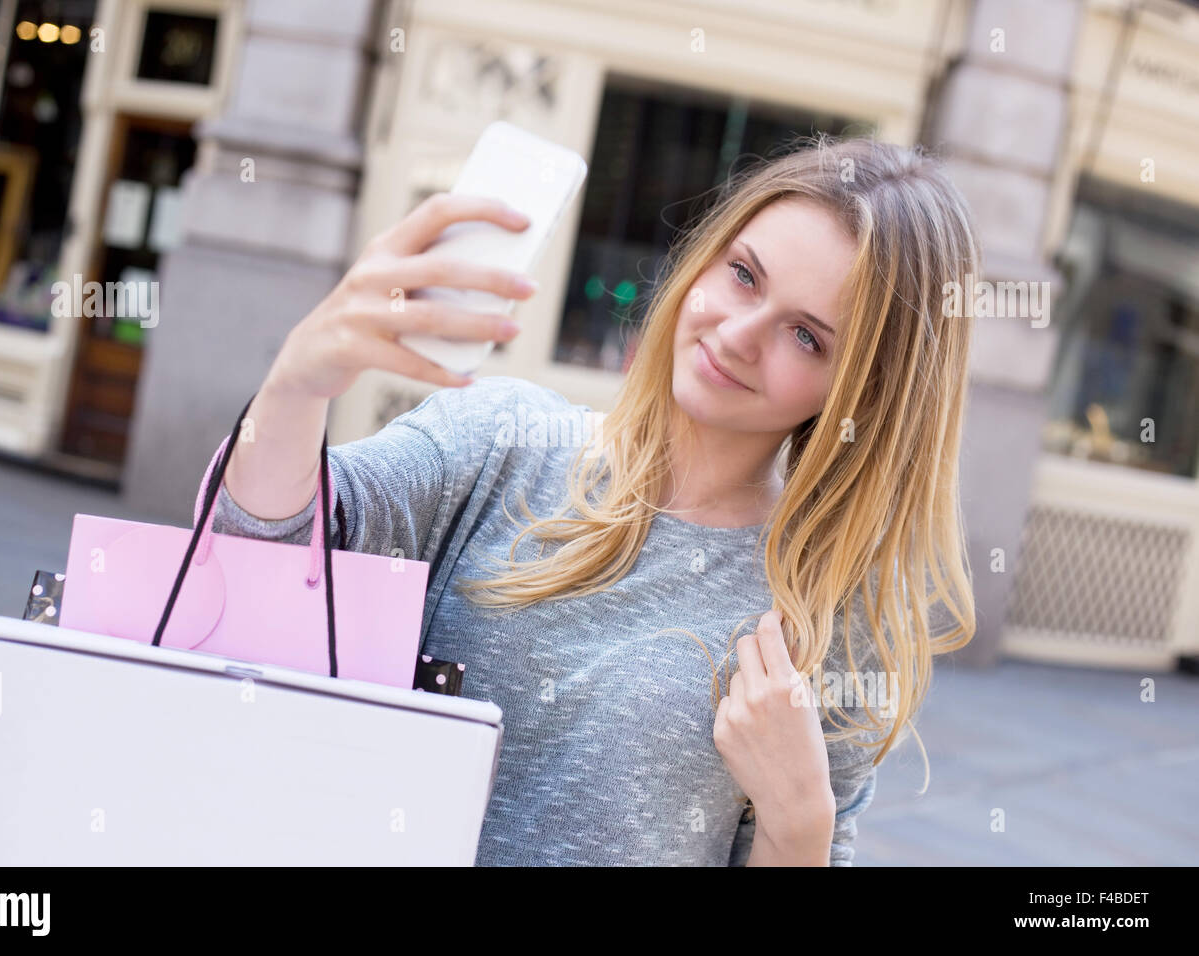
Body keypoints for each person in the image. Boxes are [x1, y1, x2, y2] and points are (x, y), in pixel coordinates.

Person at [196, 133, 980, 866]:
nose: (740, 334)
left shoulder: (830, 614)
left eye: (807, 336)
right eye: (743, 274)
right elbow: (248, 562)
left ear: (861, 395)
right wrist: (297, 383)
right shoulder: (500, 441)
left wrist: (801, 823)